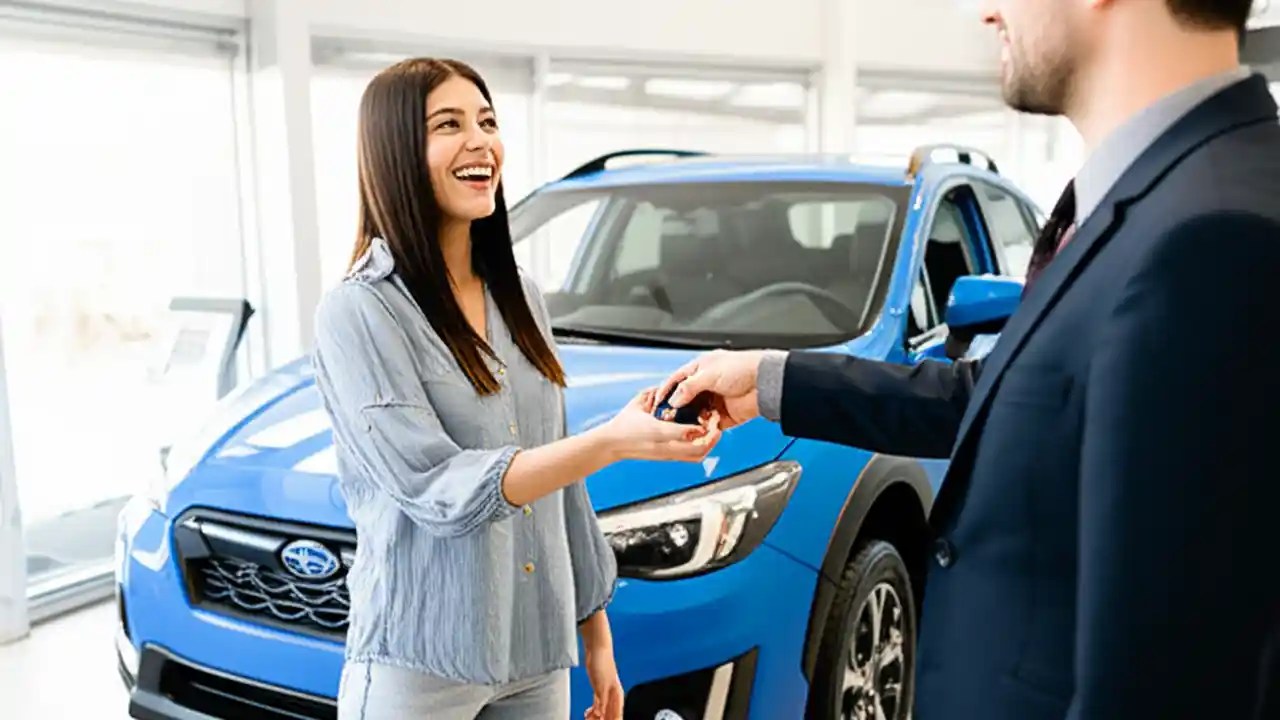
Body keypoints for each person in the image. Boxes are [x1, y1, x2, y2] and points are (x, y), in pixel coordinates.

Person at [657, 1, 1280, 718]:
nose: (988, 12)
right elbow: (1000, 403)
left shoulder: (1215, 237)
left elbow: (1172, 682)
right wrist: (772, 380)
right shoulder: (1167, 198)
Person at [311, 58, 721, 720]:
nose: (480, 142)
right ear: (394, 153)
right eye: (449, 124)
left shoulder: (520, 295)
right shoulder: (359, 313)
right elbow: (436, 487)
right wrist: (611, 442)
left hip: (535, 652)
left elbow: (558, 476)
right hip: (420, 659)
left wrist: (595, 632)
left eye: (488, 121)